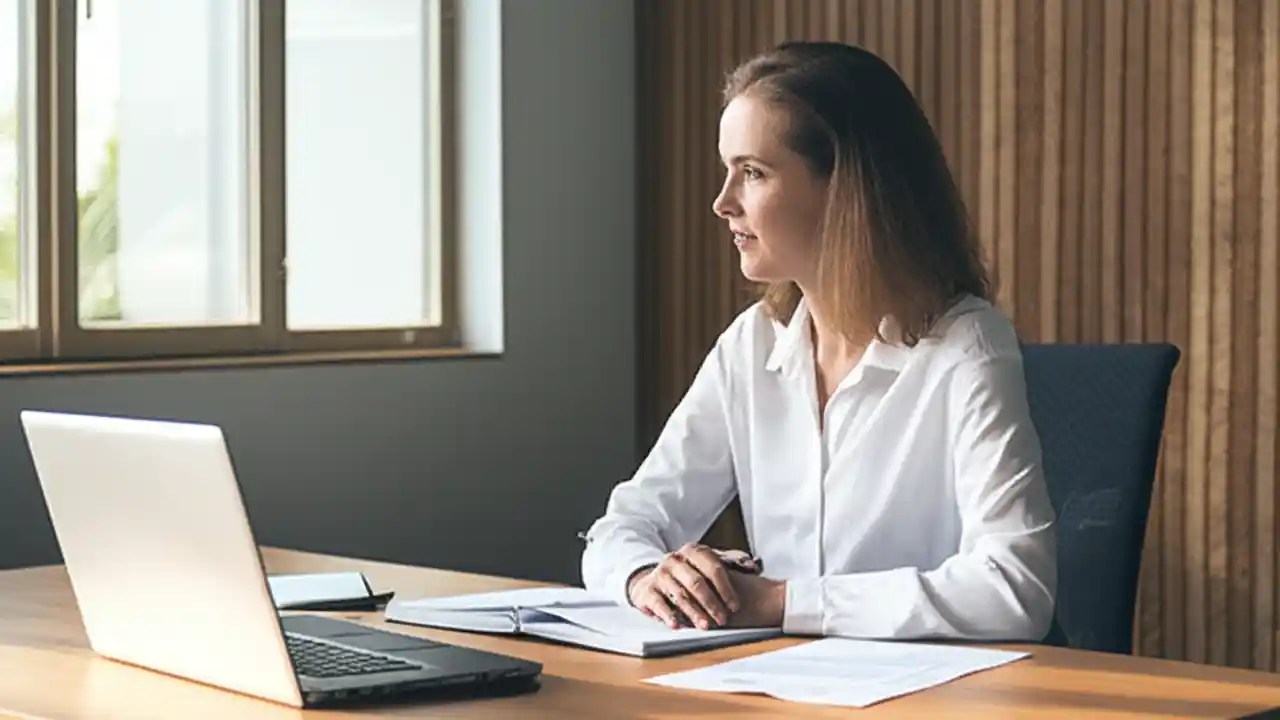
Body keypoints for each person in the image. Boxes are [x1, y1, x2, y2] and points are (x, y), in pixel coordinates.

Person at [581, 42, 1056, 641]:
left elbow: (1014, 588)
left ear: (845, 188)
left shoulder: (967, 348)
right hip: (774, 688)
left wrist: (783, 602)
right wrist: (645, 576)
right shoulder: (752, 345)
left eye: (752, 172)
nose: (723, 202)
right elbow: (624, 525)